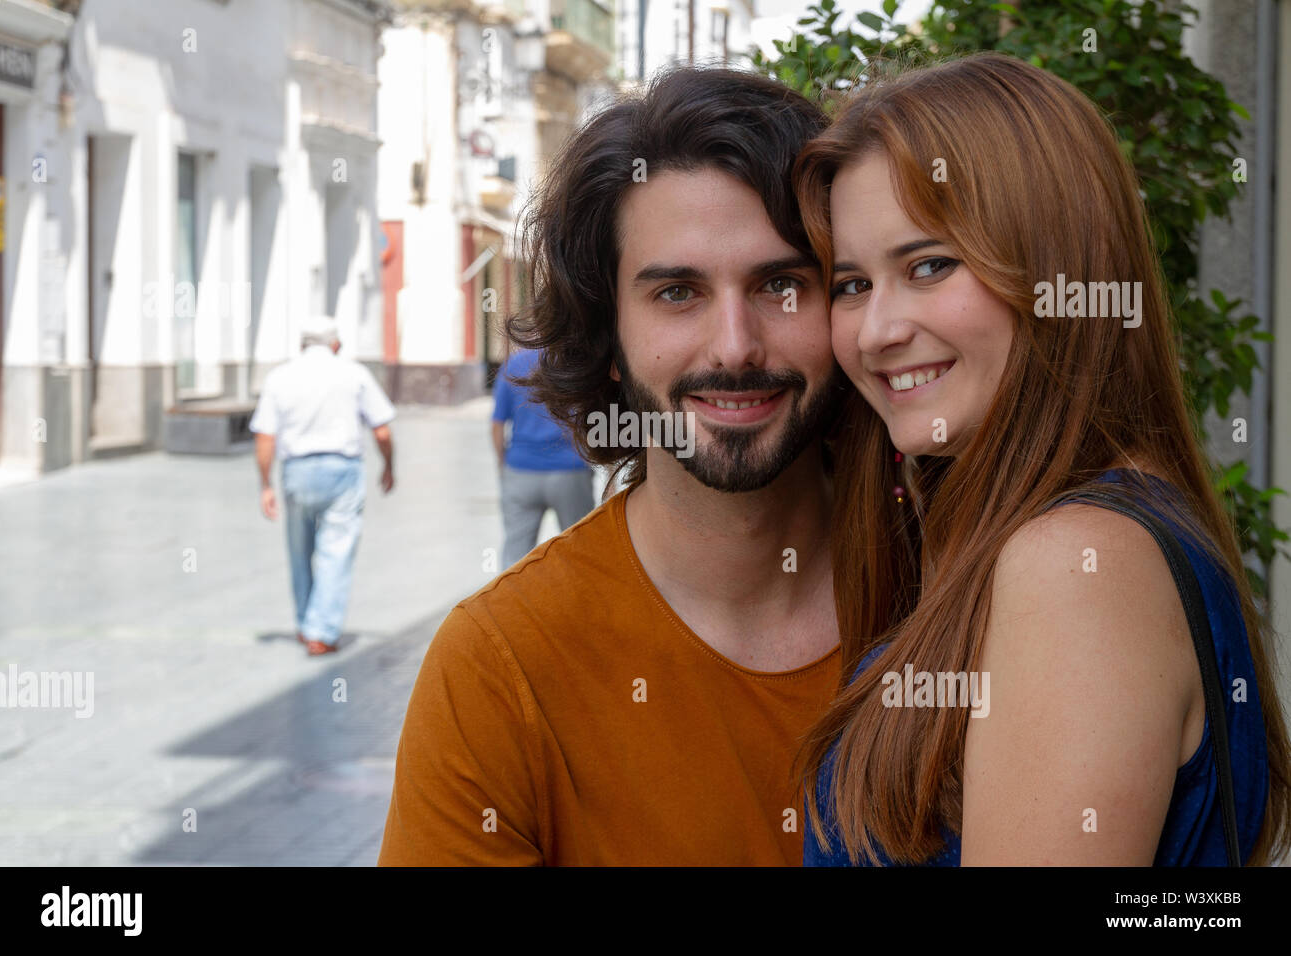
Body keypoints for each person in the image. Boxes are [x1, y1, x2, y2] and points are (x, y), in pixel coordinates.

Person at [793, 52, 1290, 865]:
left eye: (929, 265)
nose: (876, 330)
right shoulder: (1065, 526)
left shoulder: (1076, 565)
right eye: (852, 284)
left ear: (1058, 266)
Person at [378, 67, 847, 865]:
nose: (735, 345)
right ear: (606, 337)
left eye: (781, 284)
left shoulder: (963, 588)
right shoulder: (499, 667)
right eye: (677, 293)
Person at [250, 315, 397, 656]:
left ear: (302, 344)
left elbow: (265, 436)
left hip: (296, 472)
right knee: (337, 551)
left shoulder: (279, 377)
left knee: (299, 551)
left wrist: (265, 484)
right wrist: (389, 465)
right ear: (335, 344)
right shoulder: (354, 374)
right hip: (341, 470)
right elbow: (382, 430)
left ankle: (305, 624)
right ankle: (323, 632)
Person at [491, 346, 595, 568]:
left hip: (521, 471)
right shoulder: (575, 362)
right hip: (570, 471)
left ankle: (512, 602)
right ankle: (579, 601)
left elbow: (497, 423)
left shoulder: (512, 366)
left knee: (515, 559)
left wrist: (503, 465)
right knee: (582, 551)